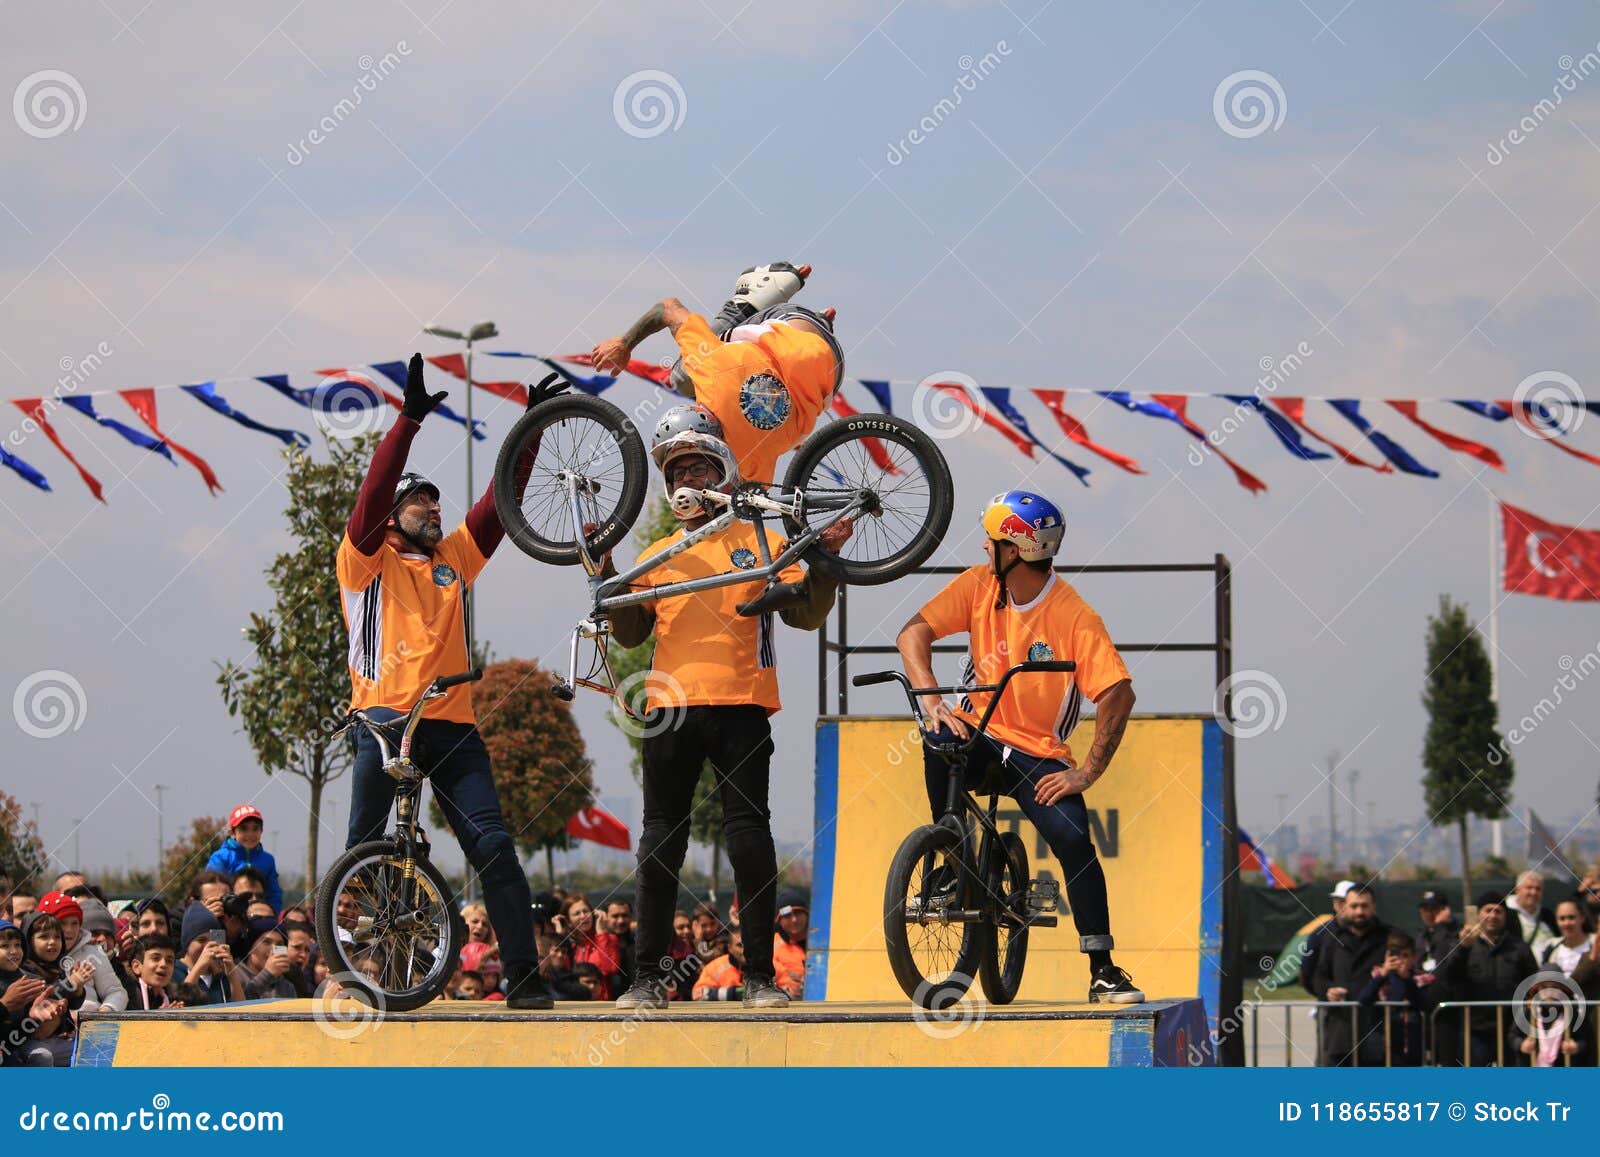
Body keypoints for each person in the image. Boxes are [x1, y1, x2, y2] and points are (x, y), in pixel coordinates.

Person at [338, 355, 568, 1012]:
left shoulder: (453, 559)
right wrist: (407, 421)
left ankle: (524, 978)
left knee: (494, 847)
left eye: (437, 500)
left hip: (452, 723)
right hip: (384, 720)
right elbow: (371, 494)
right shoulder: (363, 559)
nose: (433, 508)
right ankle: (366, 965)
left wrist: (534, 426)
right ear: (393, 514)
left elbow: (500, 502)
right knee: (367, 852)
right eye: (420, 500)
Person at [604, 409, 848, 1012]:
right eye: (677, 469)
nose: (688, 476)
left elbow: (807, 613)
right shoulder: (658, 551)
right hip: (670, 709)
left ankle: (760, 979)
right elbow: (631, 633)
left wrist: (824, 562)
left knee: (749, 842)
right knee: (661, 844)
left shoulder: (761, 539)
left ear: (723, 474)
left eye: (699, 465)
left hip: (743, 706)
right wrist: (604, 567)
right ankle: (646, 981)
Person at [896, 489, 1143, 1004]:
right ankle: (950, 853)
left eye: (992, 542)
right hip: (977, 732)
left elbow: (1118, 692)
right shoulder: (978, 584)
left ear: (1015, 551)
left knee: (1074, 839)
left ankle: (1102, 968)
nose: (984, 548)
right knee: (939, 736)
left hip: (1038, 754)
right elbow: (913, 633)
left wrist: (1086, 773)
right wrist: (933, 701)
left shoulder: (1076, 616)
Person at [590, 262, 844, 486]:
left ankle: (757, 305)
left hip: (833, 370)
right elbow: (667, 308)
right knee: (681, 377)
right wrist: (625, 344)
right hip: (794, 326)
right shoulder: (709, 375)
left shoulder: (750, 465)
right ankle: (745, 305)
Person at [1438, 891, 1538, 1066]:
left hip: (1511, 1029)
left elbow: (1534, 981)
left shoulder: (1519, 947)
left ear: (1506, 916)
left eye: (1498, 911)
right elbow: (1448, 977)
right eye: (1488, 910)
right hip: (1474, 1030)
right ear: (1478, 914)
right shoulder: (1463, 944)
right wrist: (1463, 948)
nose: (1493, 916)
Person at [1307, 884, 1390, 1066]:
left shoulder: (1388, 937)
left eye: (1364, 906)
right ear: (1345, 907)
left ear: (1373, 907)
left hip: (1376, 1030)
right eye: (1354, 906)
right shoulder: (1331, 938)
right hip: (1340, 1032)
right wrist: (1328, 990)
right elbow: (1318, 976)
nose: (1359, 911)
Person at [19, 911, 95, 1066]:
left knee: (93, 1050)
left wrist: (78, 988)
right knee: (42, 1056)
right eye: (44, 937)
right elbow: (47, 993)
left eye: (57, 937)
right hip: (29, 1040)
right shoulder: (24, 970)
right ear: (28, 942)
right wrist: (71, 983)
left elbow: (72, 1004)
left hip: (57, 1038)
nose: (52, 942)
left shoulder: (56, 969)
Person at [36, 891, 126, 1014]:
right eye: (62, 923)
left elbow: (115, 991)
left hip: (93, 1026)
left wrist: (104, 1012)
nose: (69, 930)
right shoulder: (34, 960)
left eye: (75, 923)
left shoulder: (93, 952)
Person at [1354, 931, 1433, 1066]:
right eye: (1395, 955)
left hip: (1412, 1045)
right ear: (1387, 956)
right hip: (1381, 1045)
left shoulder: (1420, 978)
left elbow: (1424, 1004)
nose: (1400, 960)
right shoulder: (1377, 975)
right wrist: (1384, 974)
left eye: (1405, 956)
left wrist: (1406, 979)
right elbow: (1363, 1000)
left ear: (1413, 957)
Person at [1414, 889, 1465, 1066]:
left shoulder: (1455, 933)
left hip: (1449, 1013)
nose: (1429, 913)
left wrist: (1441, 927)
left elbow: (1446, 965)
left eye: (1434, 908)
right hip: (1424, 1010)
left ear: (1445, 910)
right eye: (1425, 909)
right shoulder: (1421, 936)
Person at [204, 805, 284, 912]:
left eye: (255, 828)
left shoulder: (268, 860)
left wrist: (272, 915)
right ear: (232, 833)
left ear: (261, 831)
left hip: (259, 915)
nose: (250, 834)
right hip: (229, 916)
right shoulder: (220, 858)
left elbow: (274, 893)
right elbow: (213, 891)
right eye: (244, 828)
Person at [1, 917, 55, 1066]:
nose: (13, 951)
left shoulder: (26, 980)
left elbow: (15, 1038)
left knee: (44, 1055)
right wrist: (5, 1005)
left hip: (11, 1049)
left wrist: (33, 1018)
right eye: (5, 946)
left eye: (17, 945)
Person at [1510, 969, 1590, 1067]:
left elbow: (1585, 1040)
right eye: (1544, 987)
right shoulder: (1528, 1011)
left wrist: (1576, 1047)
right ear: (1537, 990)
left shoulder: (1572, 1014)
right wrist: (1521, 1045)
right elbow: (1512, 1036)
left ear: (1562, 990)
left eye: (1555, 987)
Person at [1299, 880, 1354, 991]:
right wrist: (1324, 993)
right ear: (1334, 903)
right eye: (1339, 901)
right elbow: (1307, 971)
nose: (1342, 905)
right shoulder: (1319, 934)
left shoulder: (1370, 932)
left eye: (1346, 901)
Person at [559, 894, 622, 981]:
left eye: (586, 911)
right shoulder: (569, 944)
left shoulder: (609, 939)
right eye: (577, 913)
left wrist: (601, 933)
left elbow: (609, 969)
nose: (583, 916)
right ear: (568, 921)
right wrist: (559, 938)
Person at [1506, 871, 1558, 958]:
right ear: (1517, 890)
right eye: (1529, 888)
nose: (1533, 893)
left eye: (1538, 889)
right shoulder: (1505, 916)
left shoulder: (1548, 916)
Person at [124, 935, 183, 1011]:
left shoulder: (176, 998)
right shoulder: (126, 995)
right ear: (136, 966)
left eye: (169, 961)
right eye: (155, 958)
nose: (163, 964)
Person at [1541, 898, 1593, 976]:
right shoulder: (1551, 946)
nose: (1567, 923)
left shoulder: (1595, 943)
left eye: (1571, 917)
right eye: (1562, 919)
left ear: (1582, 918)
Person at [693, 932, 746, 1001]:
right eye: (739, 945)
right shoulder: (714, 967)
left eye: (748, 945)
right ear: (729, 948)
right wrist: (734, 993)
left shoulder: (763, 964)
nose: (744, 950)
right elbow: (697, 994)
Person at [773, 894, 808, 999]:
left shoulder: (824, 939)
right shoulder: (771, 946)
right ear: (778, 920)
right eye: (787, 916)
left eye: (798, 913)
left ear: (807, 914)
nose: (794, 919)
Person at [604, 898, 637, 992]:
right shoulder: (597, 944)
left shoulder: (639, 943)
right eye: (615, 916)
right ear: (606, 917)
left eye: (625, 915)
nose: (620, 921)